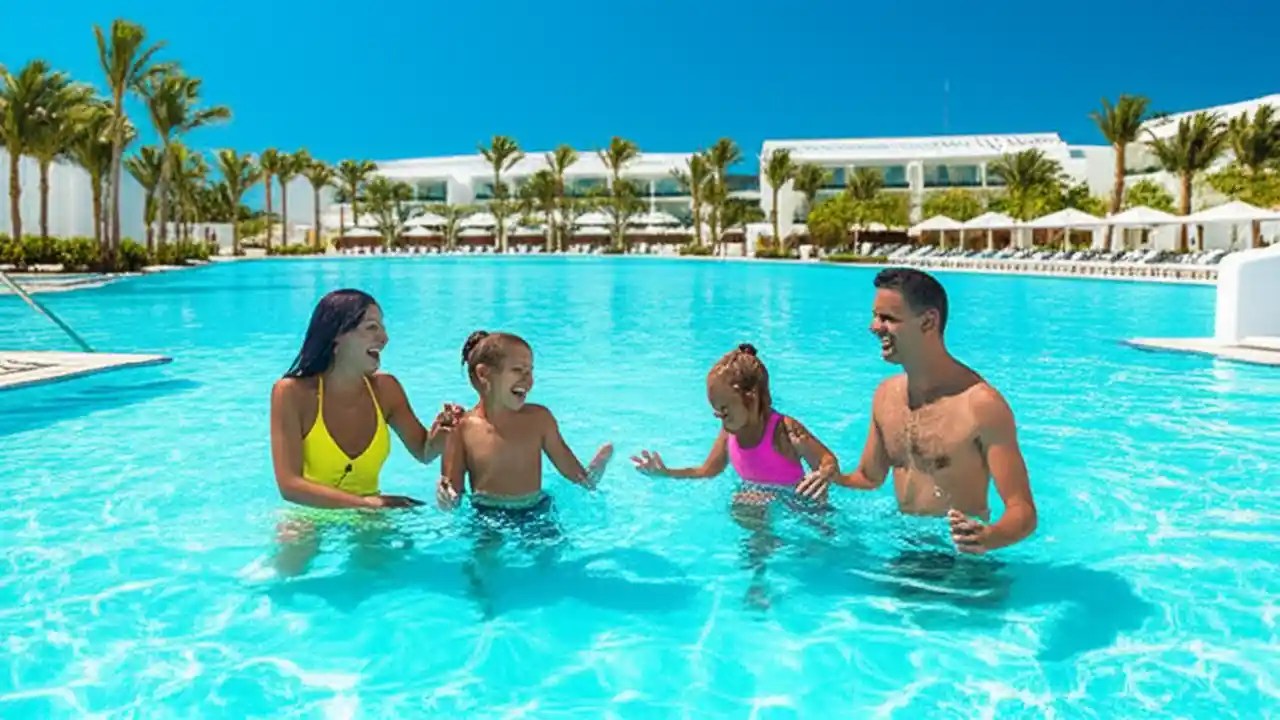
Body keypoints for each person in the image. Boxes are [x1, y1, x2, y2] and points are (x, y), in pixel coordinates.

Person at [820, 267, 1037, 554]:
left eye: (887, 318)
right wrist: (831, 478)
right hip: (904, 549)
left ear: (928, 322)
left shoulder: (981, 405)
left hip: (959, 559)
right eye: (875, 316)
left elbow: (1022, 510)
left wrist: (990, 536)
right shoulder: (886, 395)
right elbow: (869, 478)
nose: (874, 327)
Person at [268, 289, 462, 573]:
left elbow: (423, 451)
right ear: (336, 336)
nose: (384, 338)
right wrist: (368, 504)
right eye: (371, 328)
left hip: (369, 515)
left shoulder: (386, 390)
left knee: (379, 579)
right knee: (293, 553)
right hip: (309, 513)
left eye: (382, 328)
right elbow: (290, 485)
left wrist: (443, 432)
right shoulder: (293, 393)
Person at [436, 330, 613, 520]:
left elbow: (577, 477)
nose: (528, 380)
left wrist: (592, 475)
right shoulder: (461, 428)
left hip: (535, 510)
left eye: (530, 371)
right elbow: (453, 493)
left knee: (551, 549)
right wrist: (447, 497)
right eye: (518, 370)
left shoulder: (539, 420)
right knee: (485, 550)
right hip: (487, 514)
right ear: (483, 373)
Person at [631, 343, 839, 503]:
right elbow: (707, 471)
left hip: (800, 503)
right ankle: (760, 553)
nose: (720, 418)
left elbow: (827, 459)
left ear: (752, 397)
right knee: (743, 502)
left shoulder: (783, 430)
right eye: (716, 411)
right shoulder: (730, 429)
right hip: (759, 503)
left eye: (725, 410)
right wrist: (666, 473)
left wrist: (824, 474)